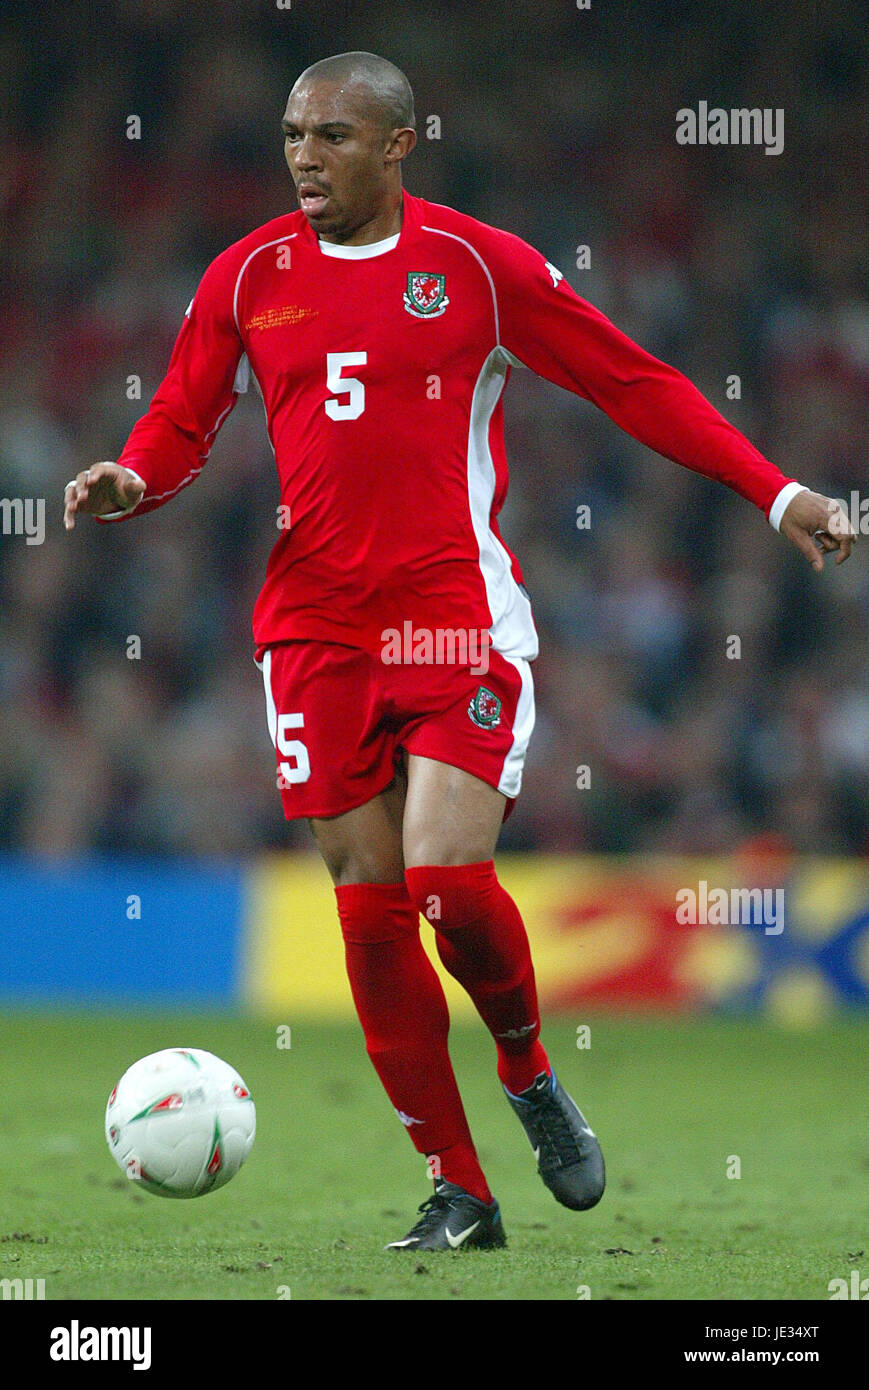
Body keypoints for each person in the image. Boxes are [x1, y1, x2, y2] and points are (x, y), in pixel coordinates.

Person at [63, 51, 855, 1252]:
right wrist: (134, 476)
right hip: (312, 630)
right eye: (291, 133)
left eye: (332, 135)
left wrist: (772, 490)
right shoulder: (247, 275)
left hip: (456, 618)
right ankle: (459, 1190)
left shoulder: (475, 267)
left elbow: (626, 379)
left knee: (443, 879)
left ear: (397, 144)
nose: (302, 157)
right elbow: (182, 414)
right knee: (367, 906)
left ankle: (529, 1073)